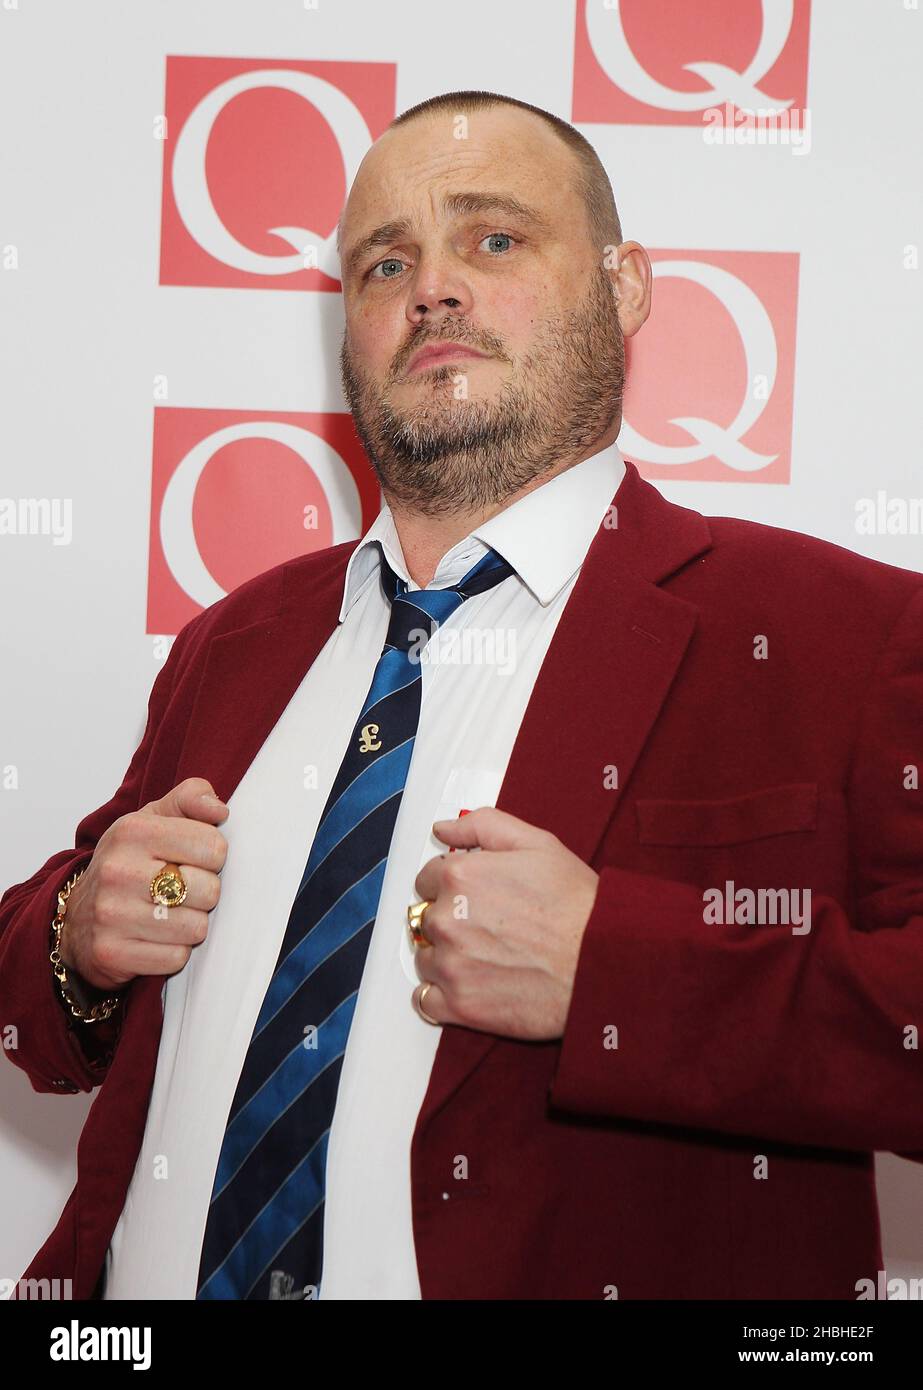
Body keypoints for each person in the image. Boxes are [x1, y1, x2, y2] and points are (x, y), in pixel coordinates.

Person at [2, 89, 922, 1301]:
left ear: (624, 285)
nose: (431, 288)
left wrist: (613, 969)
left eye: (493, 240)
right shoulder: (236, 640)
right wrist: (76, 934)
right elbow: (45, 987)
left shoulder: (838, 633)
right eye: (385, 262)